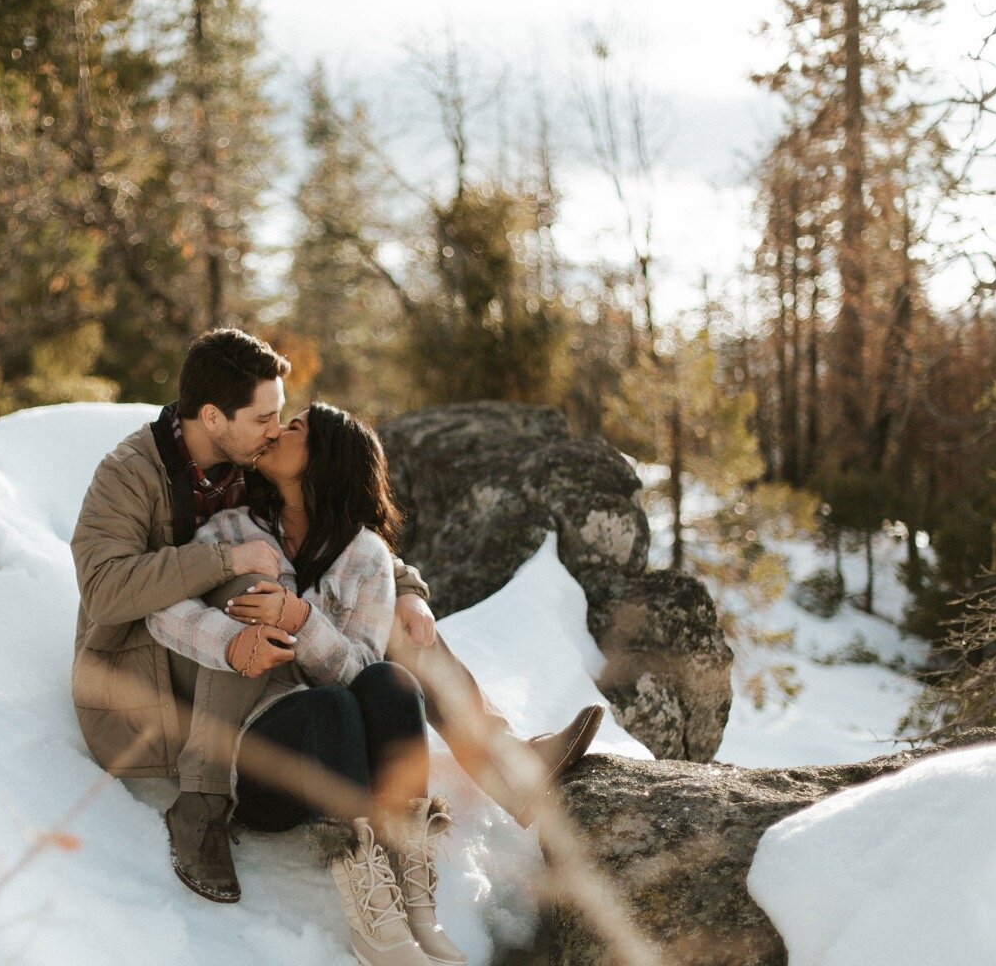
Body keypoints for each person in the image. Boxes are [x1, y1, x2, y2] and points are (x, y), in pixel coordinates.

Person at [69, 328, 603, 907]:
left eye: (282, 417)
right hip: (150, 675)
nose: (275, 430)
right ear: (214, 418)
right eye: (265, 418)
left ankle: (505, 766)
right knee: (250, 585)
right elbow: (104, 591)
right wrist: (224, 562)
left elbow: (334, 519)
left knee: (392, 629)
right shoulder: (130, 472)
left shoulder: (247, 458)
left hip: (260, 664)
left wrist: (405, 589)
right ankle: (202, 803)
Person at [148, 404, 463, 966]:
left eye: (294, 427)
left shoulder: (367, 556)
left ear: (326, 456)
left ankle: (413, 894)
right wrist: (231, 643)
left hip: (341, 755)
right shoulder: (230, 531)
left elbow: (358, 671)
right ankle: (373, 921)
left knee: (391, 681)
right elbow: (163, 610)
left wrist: (301, 620)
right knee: (329, 708)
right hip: (260, 760)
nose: (276, 431)